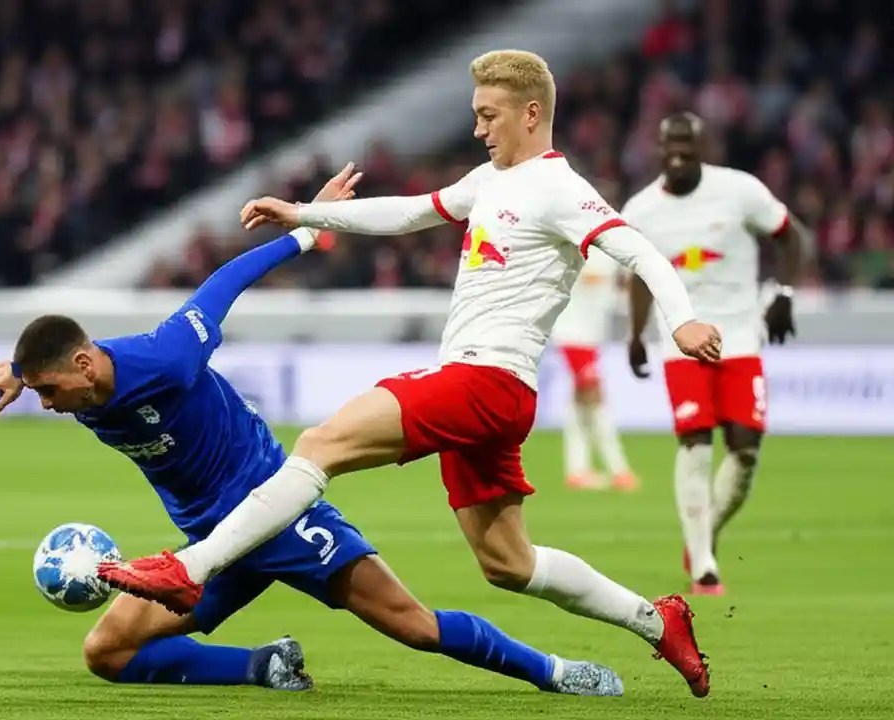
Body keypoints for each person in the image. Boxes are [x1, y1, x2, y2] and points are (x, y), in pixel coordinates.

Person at [102, 50, 720, 698]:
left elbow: (639, 248)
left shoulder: (561, 190)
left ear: (531, 113)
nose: (479, 128)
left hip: (487, 382)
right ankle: (656, 620)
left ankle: (189, 566)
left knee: (320, 444)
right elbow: (409, 212)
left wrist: (681, 321)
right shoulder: (492, 179)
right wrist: (307, 215)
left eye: (489, 115)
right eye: (475, 115)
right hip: (487, 393)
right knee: (509, 564)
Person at [0, 167, 624, 697]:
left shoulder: (165, 356)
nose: (49, 404)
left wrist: (308, 231)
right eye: (41, 391)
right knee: (106, 652)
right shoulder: (70, 380)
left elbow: (221, 284)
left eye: (51, 390)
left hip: (274, 511)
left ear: (84, 364)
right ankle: (265, 665)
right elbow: (48, 359)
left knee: (414, 626)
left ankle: (557, 673)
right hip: (211, 542)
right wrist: (21, 374)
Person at [621, 112, 804, 596]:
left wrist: (783, 292)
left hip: (741, 336)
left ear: (704, 146)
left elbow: (792, 235)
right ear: (658, 148)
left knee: (744, 451)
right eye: (669, 143)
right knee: (696, 443)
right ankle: (704, 564)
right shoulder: (640, 210)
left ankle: (703, 532)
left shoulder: (740, 190)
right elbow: (639, 275)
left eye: (686, 142)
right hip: (681, 338)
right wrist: (637, 333)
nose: (677, 151)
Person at [550, 244, 638, 491]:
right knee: (596, 398)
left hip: (589, 337)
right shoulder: (588, 250)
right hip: (574, 336)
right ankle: (618, 468)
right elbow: (591, 277)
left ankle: (578, 469)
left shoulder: (603, 252)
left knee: (580, 404)